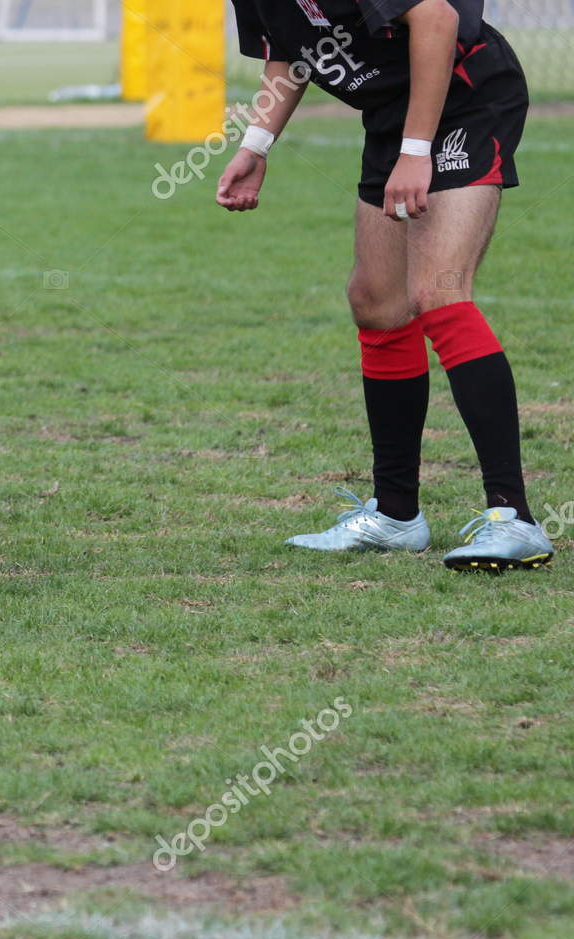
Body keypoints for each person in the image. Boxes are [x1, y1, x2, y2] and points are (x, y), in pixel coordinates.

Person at [216, 0, 551, 571]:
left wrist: (417, 152)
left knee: (439, 289)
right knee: (377, 303)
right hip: (394, 114)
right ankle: (396, 515)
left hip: (465, 99)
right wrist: (256, 145)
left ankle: (514, 519)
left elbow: (438, 18)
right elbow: (289, 52)